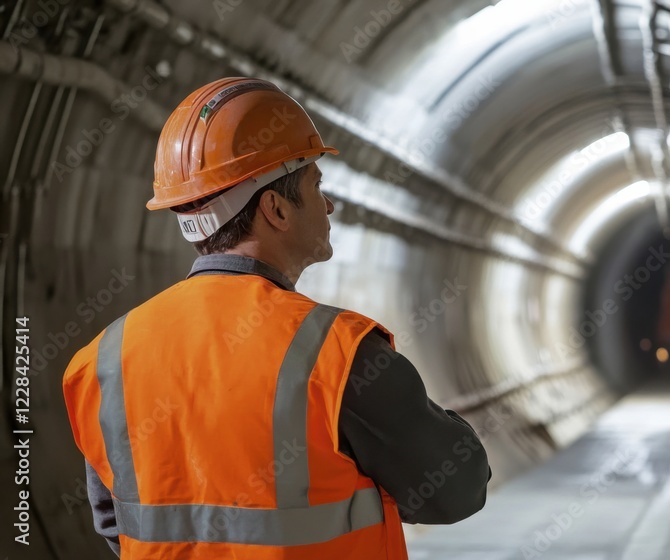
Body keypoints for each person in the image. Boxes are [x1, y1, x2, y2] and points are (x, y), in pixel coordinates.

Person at [62, 77, 490, 559]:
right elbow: (456, 489)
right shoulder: (335, 353)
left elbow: (116, 524)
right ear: (276, 208)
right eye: (316, 185)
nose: (328, 205)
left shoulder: (102, 360)